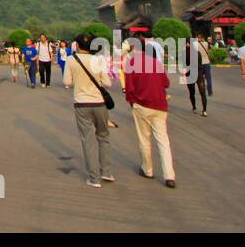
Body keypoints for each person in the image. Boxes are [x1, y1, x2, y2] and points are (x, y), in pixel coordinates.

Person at [124, 39, 176, 188]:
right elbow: (166, 83)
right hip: (159, 105)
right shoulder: (156, 64)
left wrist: (132, 102)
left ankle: (148, 170)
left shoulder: (132, 64)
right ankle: (169, 175)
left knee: (144, 139)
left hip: (141, 105)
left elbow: (129, 87)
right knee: (163, 140)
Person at [65, 33, 113, 187]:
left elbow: (67, 81)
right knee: (103, 137)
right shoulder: (98, 60)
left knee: (88, 140)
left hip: (82, 103)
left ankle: (94, 178)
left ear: (77, 46)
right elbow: (107, 82)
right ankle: (106, 172)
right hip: (99, 103)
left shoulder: (71, 60)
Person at [184, 36, 209, 115]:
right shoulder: (198, 53)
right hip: (199, 74)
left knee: (192, 92)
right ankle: (204, 110)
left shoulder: (184, 53)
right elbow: (200, 64)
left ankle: (194, 107)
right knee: (202, 93)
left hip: (190, 74)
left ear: (187, 43)